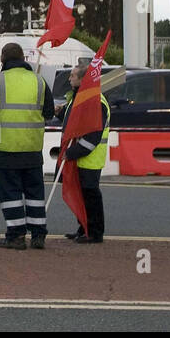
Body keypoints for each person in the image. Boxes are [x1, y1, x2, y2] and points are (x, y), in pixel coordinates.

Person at [0, 42, 56, 250]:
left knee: (11, 194)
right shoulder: (39, 81)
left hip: (4, 148)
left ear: (2, 58)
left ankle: (16, 236)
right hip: (32, 149)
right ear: (23, 58)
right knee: (35, 194)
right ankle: (38, 235)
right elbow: (49, 114)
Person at [57, 63, 109, 244]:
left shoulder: (95, 101)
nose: (69, 78)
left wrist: (72, 152)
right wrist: (60, 113)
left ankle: (94, 232)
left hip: (89, 158)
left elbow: (93, 135)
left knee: (90, 195)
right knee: (81, 195)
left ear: (82, 79)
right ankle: (83, 228)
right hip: (80, 157)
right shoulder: (78, 98)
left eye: (72, 75)